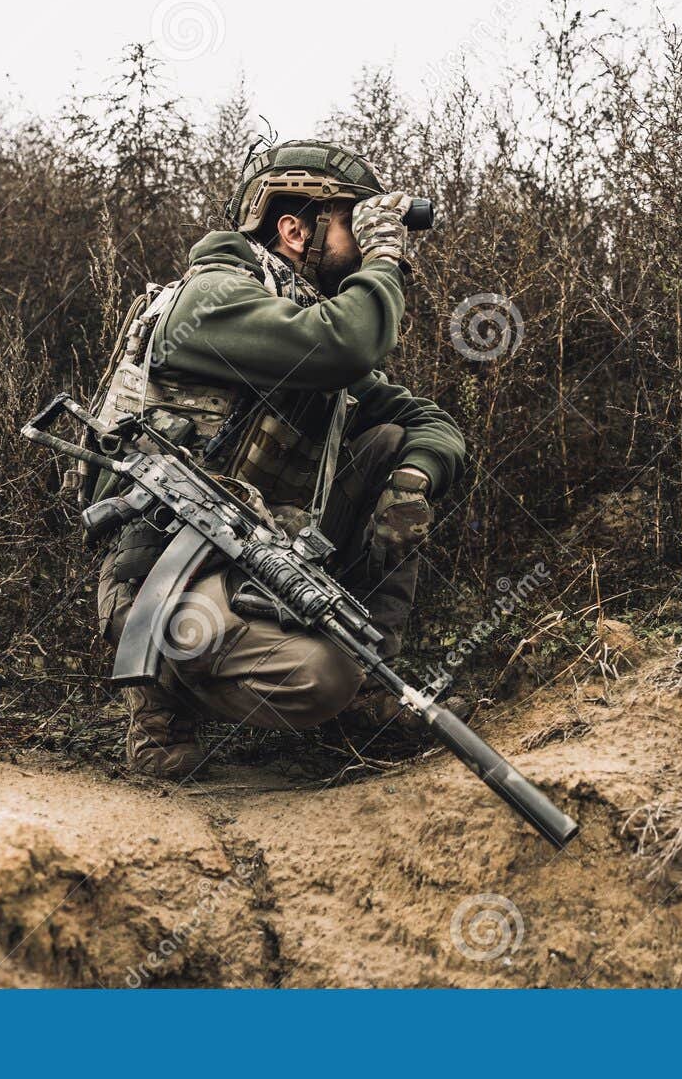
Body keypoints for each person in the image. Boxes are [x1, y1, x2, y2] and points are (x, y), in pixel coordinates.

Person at [92, 140, 466, 778]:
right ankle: (162, 702)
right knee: (322, 677)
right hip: (164, 578)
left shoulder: (296, 324)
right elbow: (351, 342)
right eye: (355, 222)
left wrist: (413, 478)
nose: (370, 237)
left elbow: (425, 421)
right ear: (295, 229)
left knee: (389, 447)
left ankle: (368, 693)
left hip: (263, 557)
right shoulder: (211, 300)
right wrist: (384, 260)